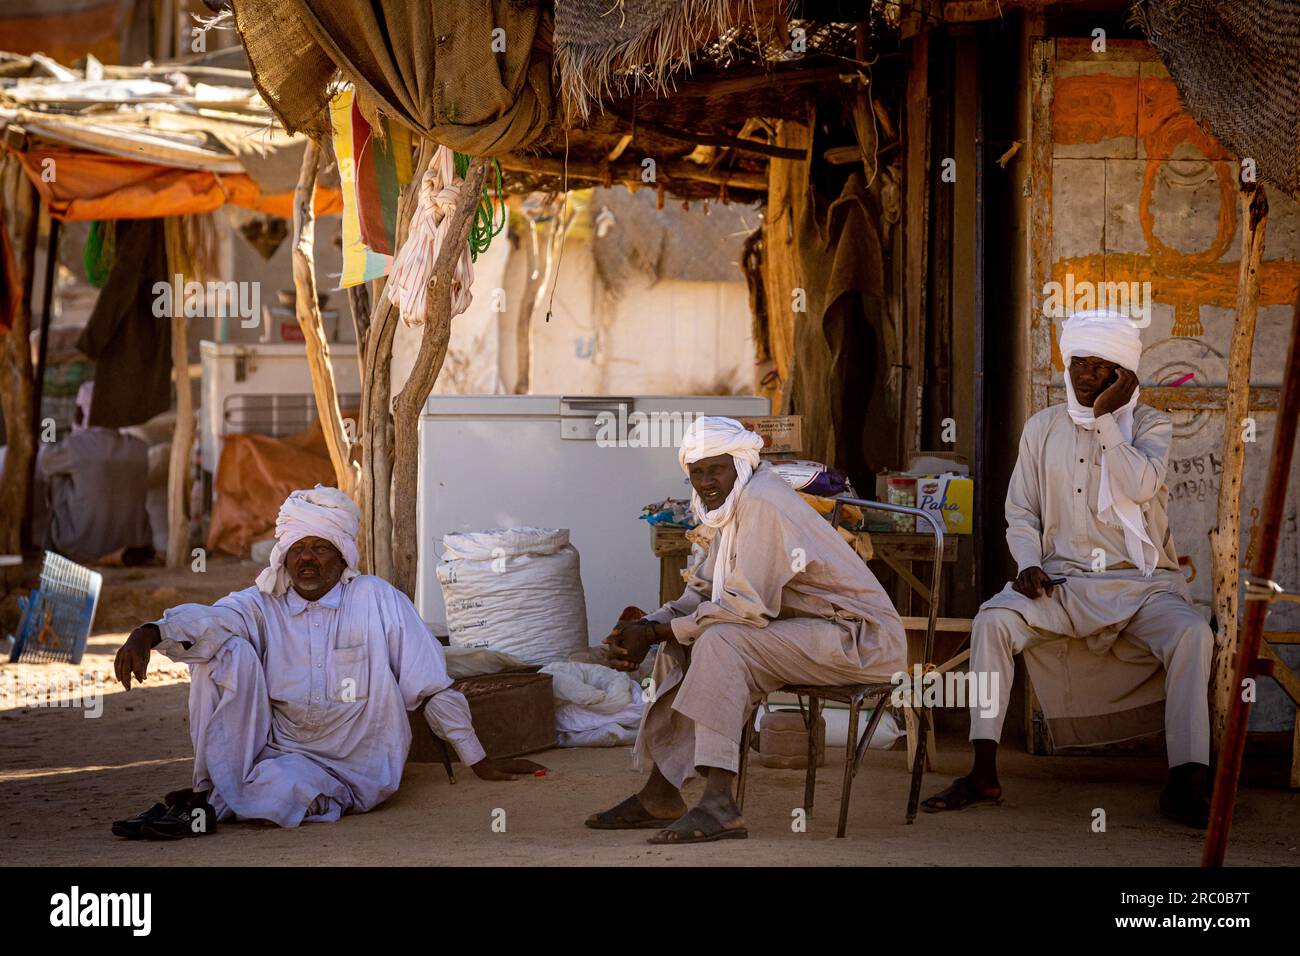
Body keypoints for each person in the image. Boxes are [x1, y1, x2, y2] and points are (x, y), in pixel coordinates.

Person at [110, 485, 542, 839]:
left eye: (320, 548)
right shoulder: (262, 604)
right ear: (284, 555)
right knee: (222, 651)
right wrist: (151, 632)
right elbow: (212, 622)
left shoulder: (376, 599)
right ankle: (210, 791)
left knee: (285, 790)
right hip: (279, 752)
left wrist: (478, 759)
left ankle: (206, 804)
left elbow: (430, 686)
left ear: (342, 555)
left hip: (356, 763)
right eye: (299, 548)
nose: (307, 559)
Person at [922, 309, 1214, 827]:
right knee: (993, 622)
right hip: (1062, 585)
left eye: (1100, 367)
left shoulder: (1150, 424)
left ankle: (1186, 778)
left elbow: (1140, 487)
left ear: (1123, 376)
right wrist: (1030, 564)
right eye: (1078, 361)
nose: (1083, 375)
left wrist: (1106, 418)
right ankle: (983, 771)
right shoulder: (1042, 429)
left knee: (1193, 633)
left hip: (1141, 585)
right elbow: (1021, 512)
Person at [585, 417, 907, 844]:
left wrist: (660, 632)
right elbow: (702, 593)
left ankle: (720, 804)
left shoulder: (764, 502)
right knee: (688, 639)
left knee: (719, 640)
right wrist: (645, 627)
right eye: (696, 473)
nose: (705, 482)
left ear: (739, 463)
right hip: (808, 633)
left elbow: (743, 608)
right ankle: (660, 795)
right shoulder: (735, 506)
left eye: (714, 470)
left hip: (858, 639)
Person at [40, 381, 153, 565]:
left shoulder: (75, 447)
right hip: (132, 542)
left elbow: (44, 462)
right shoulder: (140, 448)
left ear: (83, 411)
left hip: (79, 546)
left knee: (57, 474)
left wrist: (61, 436)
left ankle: (53, 558)